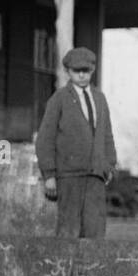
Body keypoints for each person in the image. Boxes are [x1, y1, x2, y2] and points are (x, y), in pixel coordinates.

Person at [35, 46, 117, 238]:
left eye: (85, 71)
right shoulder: (59, 99)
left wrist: (109, 165)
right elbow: (45, 139)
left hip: (96, 176)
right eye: (76, 71)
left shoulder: (99, 98)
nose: (81, 75)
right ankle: (64, 268)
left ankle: (92, 268)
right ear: (67, 72)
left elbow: (107, 134)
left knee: (95, 231)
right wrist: (49, 175)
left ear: (92, 70)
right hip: (69, 176)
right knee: (68, 230)